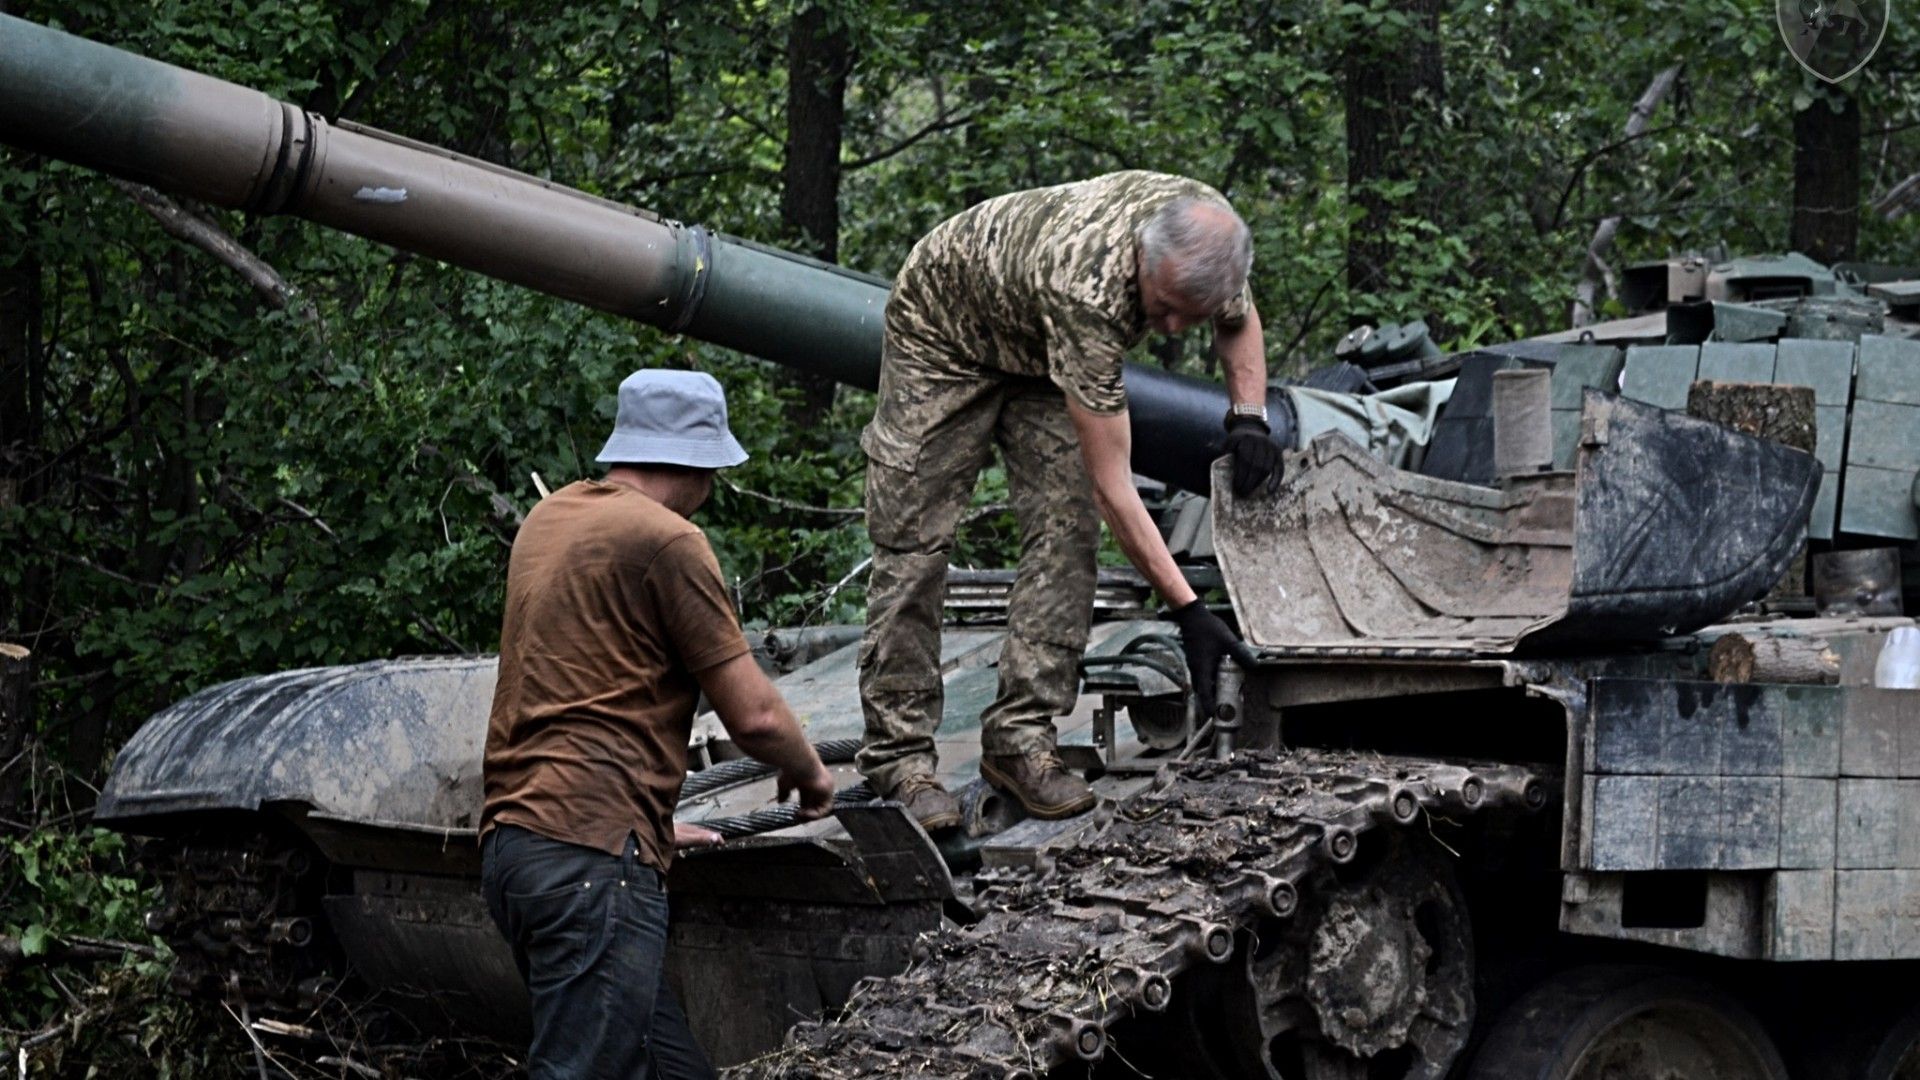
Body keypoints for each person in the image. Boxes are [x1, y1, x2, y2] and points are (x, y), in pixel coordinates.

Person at [858, 171, 1280, 830]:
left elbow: (1239, 320)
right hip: (943, 334)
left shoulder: (1211, 236)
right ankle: (901, 762)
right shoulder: (1088, 288)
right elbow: (1114, 487)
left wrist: (1248, 416)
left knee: (1066, 533)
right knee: (914, 542)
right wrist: (1190, 610)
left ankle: (1021, 742)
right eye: (1161, 305)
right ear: (1143, 255)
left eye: (1183, 320)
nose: (1166, 326)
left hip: (1037, 351)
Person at [481, 369, 836, 1080]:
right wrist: (810, 772)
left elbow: (569, 689)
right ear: (701, 462)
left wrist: (637, 819)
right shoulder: (667, 540)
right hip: (588, 869)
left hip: (521, 848)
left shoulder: (552, 520)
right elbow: (756, 717)